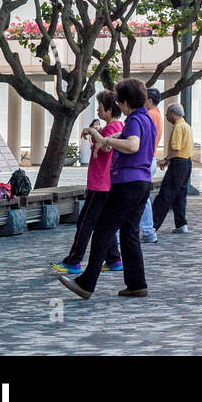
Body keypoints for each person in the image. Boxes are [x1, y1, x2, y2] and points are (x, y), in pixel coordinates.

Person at [58, 78, 157, 299]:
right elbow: (130, 138)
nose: (119, 107)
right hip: (142, 182)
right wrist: (109, 137)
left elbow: (132, 145)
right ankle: (136, 283)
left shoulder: (133, 119)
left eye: (120, 102)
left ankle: (86, 282)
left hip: (126, 182)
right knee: (130, 232)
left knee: (103, 230)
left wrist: (109, 142)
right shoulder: (147, 119)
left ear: (125, 101)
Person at [50, 90, 123, 275]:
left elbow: (106, 146)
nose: (98, 111)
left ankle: (73, 261)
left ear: (108, 109)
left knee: (85, 222)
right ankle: (114, 259)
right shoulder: (114, 128)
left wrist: (93, 131)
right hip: (105, 183)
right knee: (102, 222)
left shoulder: (110, 130)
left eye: (100, 108)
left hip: (100, 184)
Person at [150, 102, 193, 234]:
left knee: (165, 194)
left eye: (168, 113)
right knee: (180, 194)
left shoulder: (178, 127)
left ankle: (152, 225)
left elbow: (176, 148)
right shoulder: (186, 126)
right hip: (186, 163)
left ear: (174, 114)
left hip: (178, 163)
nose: (166, 115)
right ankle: (181, 224)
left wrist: (166, 160)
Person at [138, 86, 166, 244]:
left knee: (142, 196)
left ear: (149, 100)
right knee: (142, 196)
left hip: (146, 160)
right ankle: (147, 230)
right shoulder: (157, 114)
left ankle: (148, 230)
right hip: (150, 159)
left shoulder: (149, 115)